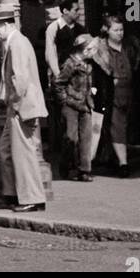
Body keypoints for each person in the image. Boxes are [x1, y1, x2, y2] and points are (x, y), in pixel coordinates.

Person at [0, 2, 48, 212]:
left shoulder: (17, 43)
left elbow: (20, 79)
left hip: (22, 107)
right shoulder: (14, 43)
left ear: (6, 24)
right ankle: (12, 194)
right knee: (6, 150)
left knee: (24, 153)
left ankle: (32, 198)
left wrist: (13, 103)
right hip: (17, 107)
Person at [92, 14, 135, 176]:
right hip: (111, 94)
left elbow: (138, 69)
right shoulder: (101, 51)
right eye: (116, 30)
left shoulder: (130, 47)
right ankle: (123, 164)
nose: (120, 33)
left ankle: (112, 157)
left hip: (130, 93)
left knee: (126, 126)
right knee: (117, 126)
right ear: (107, 31)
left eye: (121, 29)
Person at [56, 34, 98, 182]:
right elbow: (59, 83)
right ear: (84, 50)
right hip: (71, 105)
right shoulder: (70, 64)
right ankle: (65, 164)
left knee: (86, 138)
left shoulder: (89, 64)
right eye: (92, 48)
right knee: (71, 137)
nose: (95, 51)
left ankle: (84, 170)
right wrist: (65, 100)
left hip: (85, 104)